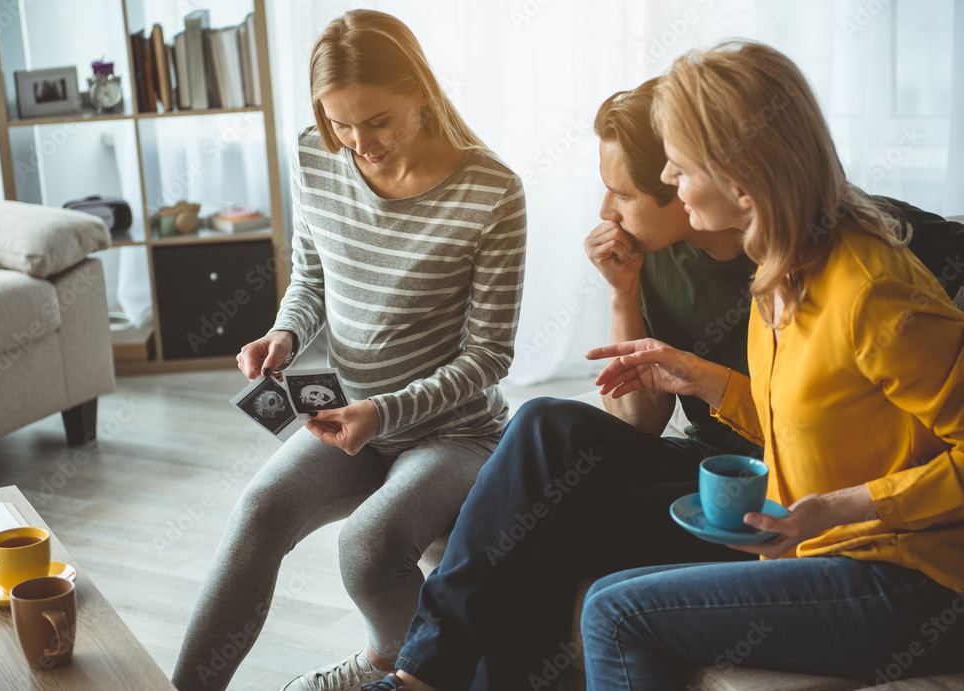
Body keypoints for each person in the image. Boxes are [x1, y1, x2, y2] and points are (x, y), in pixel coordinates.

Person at [360, 82, 964, 690]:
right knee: (544, 431)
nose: (605, 210)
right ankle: (426, 675)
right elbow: (645, 421)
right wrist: (669, 342)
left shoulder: (853, 274)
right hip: (740, 473)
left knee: (591, 575)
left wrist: (842, 503)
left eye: (633, 187)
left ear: (733, 178)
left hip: (836, 520)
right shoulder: (752, 269)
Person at [579, 40, 964, 689]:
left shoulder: (872, 291)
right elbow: (813, 420)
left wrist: (834, 508)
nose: (669, 184)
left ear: (743, 183)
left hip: (916, 579)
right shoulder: (779, 270)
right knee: (609, 585)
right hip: (834, 555)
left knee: (616, 614)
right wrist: (701, 378)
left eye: (679, 168)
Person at [170, 10, 526, 691]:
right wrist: (285, 333)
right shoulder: (316, 153)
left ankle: (402, 666)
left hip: (455, 434)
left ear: (422, 90)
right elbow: (311, 276)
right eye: (342, 123)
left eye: (379, 120)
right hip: (350, 415)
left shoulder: (492, 191)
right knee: (260, 508)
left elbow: (490, 356)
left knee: (365, 548)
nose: (360, 142)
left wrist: (382, 412)